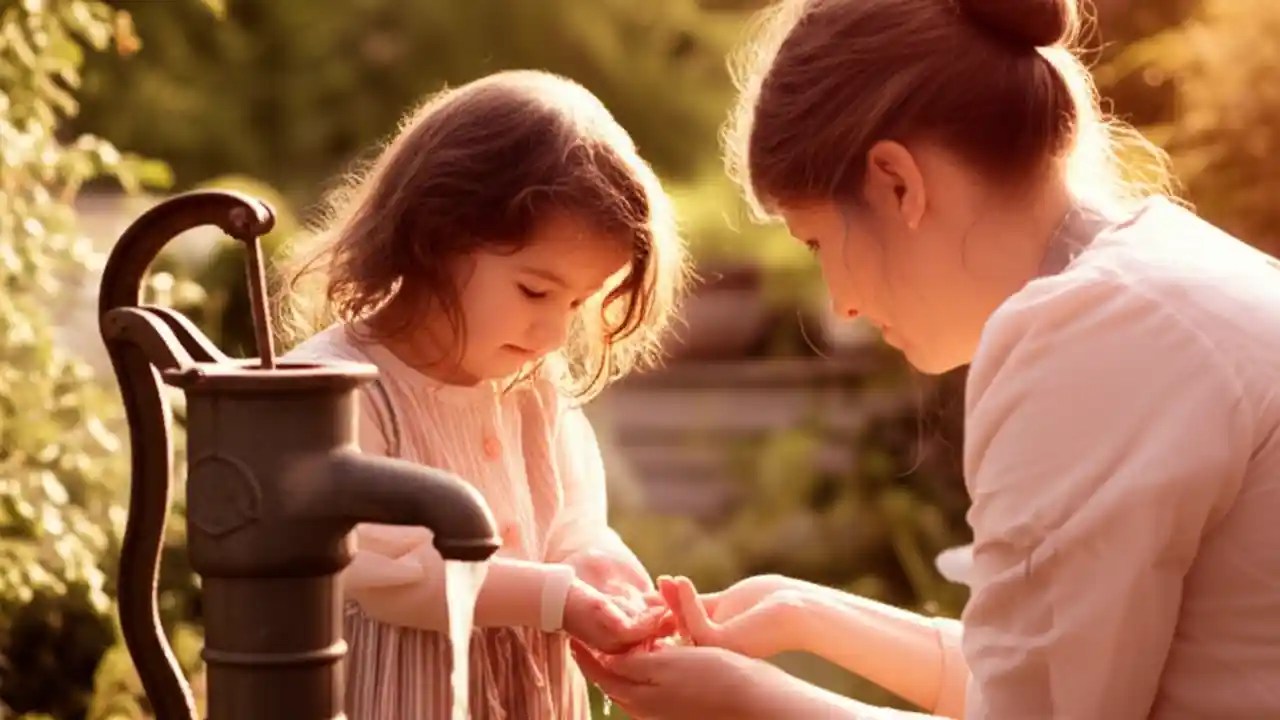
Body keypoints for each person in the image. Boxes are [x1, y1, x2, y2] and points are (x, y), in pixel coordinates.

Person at [575, 0, 1280, 717]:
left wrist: (749, 704)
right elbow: (1038, 668)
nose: (841, 304)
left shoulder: (1095, 335)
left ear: (897, 184)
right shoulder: (1156, 279)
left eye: (817, 243)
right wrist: (803, 613)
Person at [280, 69, 690, 719]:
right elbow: (393, 575)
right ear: (436, 237)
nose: (556, 331)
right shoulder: (342, 390)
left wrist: (608, 579)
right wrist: (558, 599)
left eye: (578, 301)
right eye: (535, 290)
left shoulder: (533, 392)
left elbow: (570, 526)